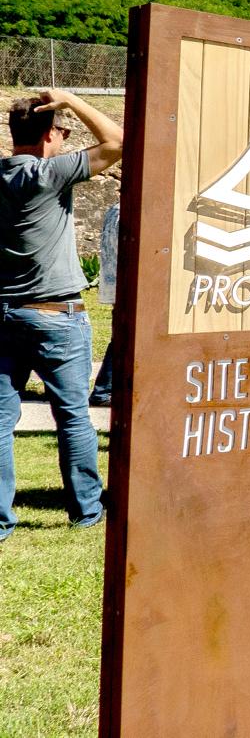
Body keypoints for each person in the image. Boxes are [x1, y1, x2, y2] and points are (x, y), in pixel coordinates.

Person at [1, 90, 122, 541]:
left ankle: (0, 520)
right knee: (72, 416)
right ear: (51, 133)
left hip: (3, 312)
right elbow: (116, 141)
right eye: (63, 132)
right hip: (55, 314)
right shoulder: (47, 175)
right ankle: (86, 511)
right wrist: (70, 98)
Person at [90, 192, 119, 407]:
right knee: (123, 340)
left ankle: (105, 389)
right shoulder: (127, 213)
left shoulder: (114, 210)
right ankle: (104, 390)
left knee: (121, 338)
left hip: (115, 284)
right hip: (128, 285)